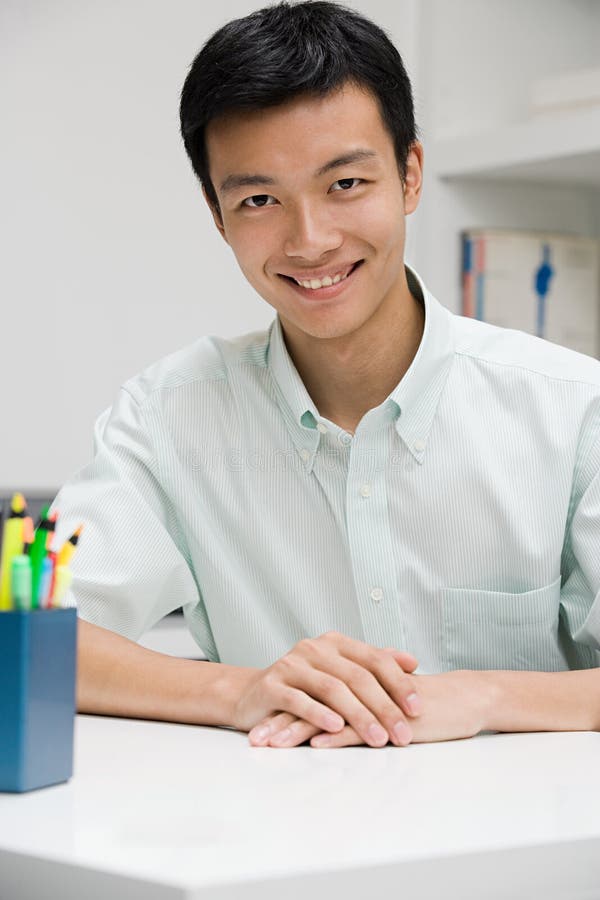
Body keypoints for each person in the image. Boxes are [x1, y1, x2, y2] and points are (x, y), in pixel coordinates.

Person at [54, 0, 600, 750]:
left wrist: (484, 695)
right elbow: (28, 636)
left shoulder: (572, 409)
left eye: (345, 184)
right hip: (267, 821)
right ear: (217, 214)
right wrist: (240, 689)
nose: (309, 241)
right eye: (259, 200)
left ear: (410, 176)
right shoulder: (166, 416)